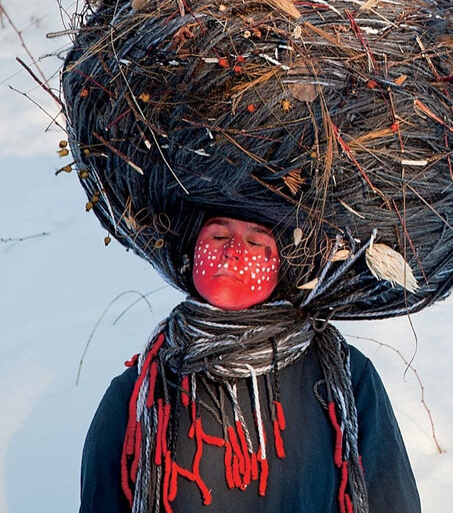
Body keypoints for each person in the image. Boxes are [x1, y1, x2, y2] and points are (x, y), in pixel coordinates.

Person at [80, 216, 421, 513]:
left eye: (255, 241)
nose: (232, 250)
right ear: (190, 252)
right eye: (217, 236)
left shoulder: (343, 377)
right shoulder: (139, 393)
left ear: (283, 265)